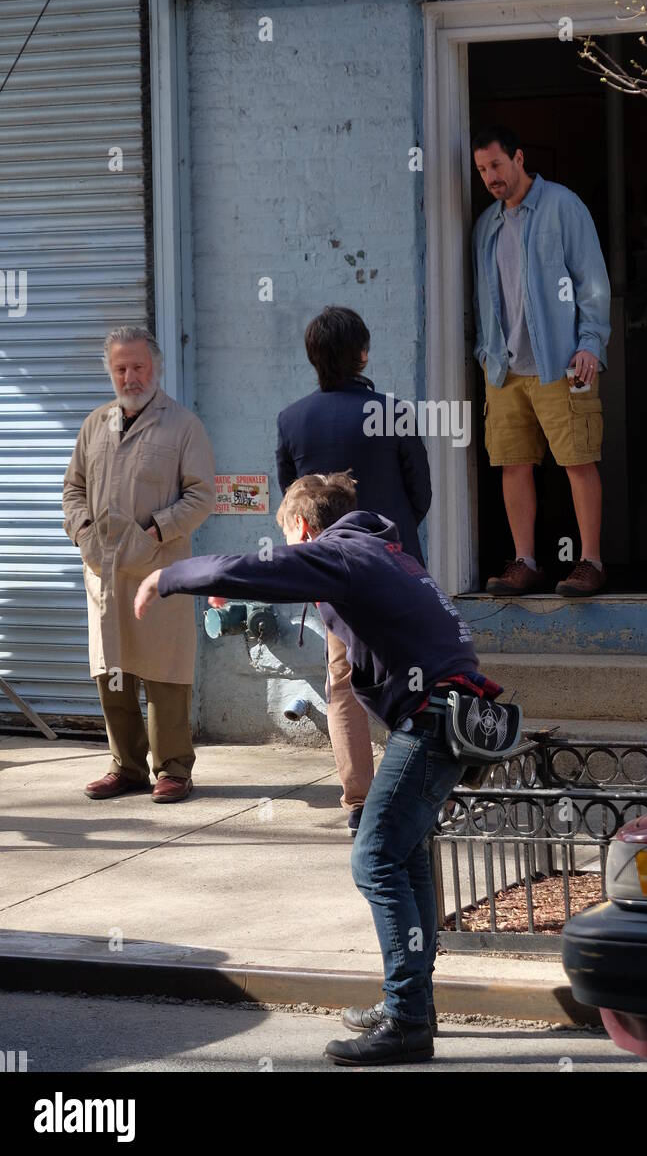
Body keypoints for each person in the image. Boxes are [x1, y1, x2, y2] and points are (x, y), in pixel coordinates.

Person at [134, 471, 495, 1066]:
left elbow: (270, 568)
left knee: (375, 857)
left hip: (434, 718)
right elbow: (297, 582)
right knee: (403, 856)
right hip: (453, 711)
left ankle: (407, 1021)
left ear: (303, 527)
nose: (296, 552)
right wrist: (245, 589)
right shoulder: (382, 550)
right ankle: (414, 1004)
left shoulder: (343, 555)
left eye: (293, 540)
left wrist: (169, 576)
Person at [277, 306, 431, 836]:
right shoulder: (394, 413)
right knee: (415, 678)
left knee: (343, 683)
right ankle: (418, 791)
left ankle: (360, 802)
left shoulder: (292, 420)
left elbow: (295, 506)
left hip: (331, 571)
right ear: (362, 353)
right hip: (396, 563)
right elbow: (422, 496)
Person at [63, 326, 215, 803]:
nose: (129, 377)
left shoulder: (183, 426)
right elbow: (72, 490)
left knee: (165, 670)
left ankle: (173, 769)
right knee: (113, 670)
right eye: (120, 368)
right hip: (104, 574)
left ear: (157, 366)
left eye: (137, 366)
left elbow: (201, 496)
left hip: (158, 570)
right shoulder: (95, 425)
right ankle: (125, 766)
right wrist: (83, 533)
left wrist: (155, 531)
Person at [471, 124, 611, 597]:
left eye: (495, 165)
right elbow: (483, 300)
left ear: (518, 158)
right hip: (505, 371)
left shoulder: (562, 206)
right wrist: (484, 352)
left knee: (578, 461)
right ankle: (525, 561)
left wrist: (590, 342)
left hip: (562, 362)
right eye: (482, 169)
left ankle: (590, 561)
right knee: (513, 464)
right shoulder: (485, 226)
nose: (490, 176)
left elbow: (592, 280)